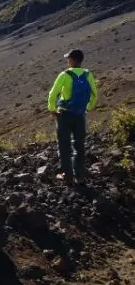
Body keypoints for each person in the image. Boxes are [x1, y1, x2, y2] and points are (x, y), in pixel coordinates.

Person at [48, 49, 97, 185]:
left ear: (74, 60)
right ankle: (80, 176)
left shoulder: (65, 75)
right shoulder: (88, 74)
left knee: (64, 145)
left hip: (64, 114)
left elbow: (53, 94)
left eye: (69, 58)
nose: (67, 60)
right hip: (80, 114)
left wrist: (52, 109)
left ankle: (67, 175)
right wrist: (87, 108)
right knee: (79, 145)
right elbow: (94, 94)